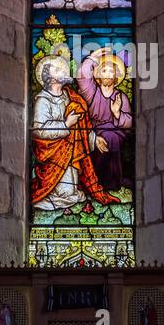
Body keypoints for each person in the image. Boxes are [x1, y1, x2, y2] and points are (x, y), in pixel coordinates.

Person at [30, 56, 117, 212]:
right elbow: (39, 130)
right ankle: (50, 195)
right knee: (67, 194)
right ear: (48, 77)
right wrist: (66, 124)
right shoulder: (43, 100)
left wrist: (94, 139)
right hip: (52, 156)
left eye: (63, 67)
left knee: (73, 192)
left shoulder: (71, 96)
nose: (63, 70)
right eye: (57, 69)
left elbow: (81, 127)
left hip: (71, 154)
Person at [77, 47, 132, 191]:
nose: (107, 74)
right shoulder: (92, 93)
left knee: (110, 136)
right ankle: (99, 179)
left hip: (115, 133)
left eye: (111, 71)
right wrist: (91, 59)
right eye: (104, 70)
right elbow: (82, 77)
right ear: (98, 75)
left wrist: (117, 114)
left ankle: (109, 180)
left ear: (116, 76)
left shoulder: (121, 97)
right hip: (93, 132)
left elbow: (130, 122)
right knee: (107, 136)